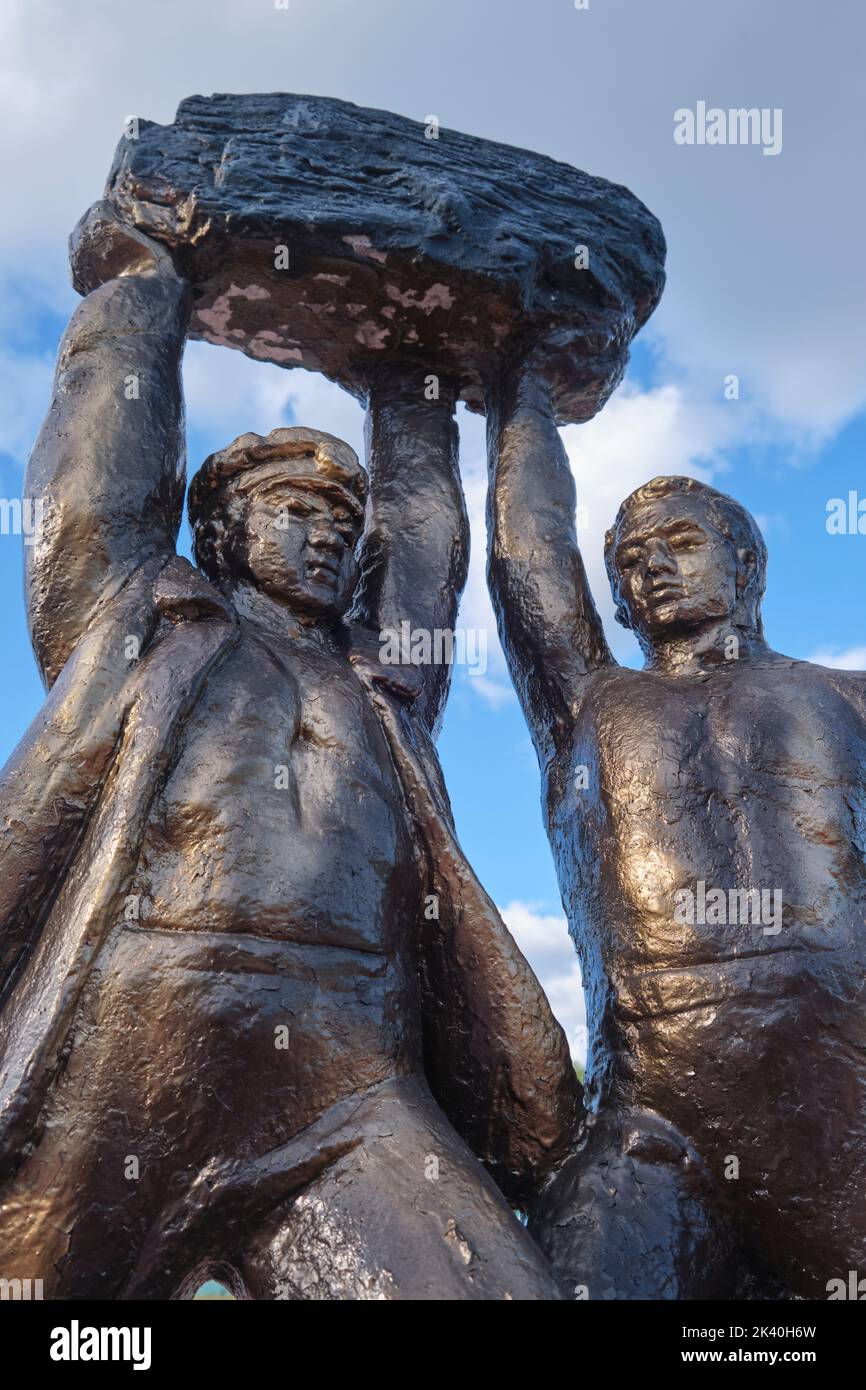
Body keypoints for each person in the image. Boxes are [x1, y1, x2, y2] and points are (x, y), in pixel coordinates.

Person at [0, 207, 580, 1301]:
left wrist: (412, 366)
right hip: (131, 1045)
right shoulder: (147, 621)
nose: (322, 535)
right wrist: (142, 281)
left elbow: (423, 542)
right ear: (221, 533)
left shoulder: (385, 684)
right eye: (291, 511)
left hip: (350, 1070)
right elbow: (95, 483)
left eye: (337, 522)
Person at [485, 358, 866, 1299]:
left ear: (747, 561)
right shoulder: (590, 702)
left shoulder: (847, 701)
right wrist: (520, 380)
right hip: (655, 1113)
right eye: (630, 562)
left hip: (840, 1091)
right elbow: (529, 556)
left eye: (680, 542)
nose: (653, 564)